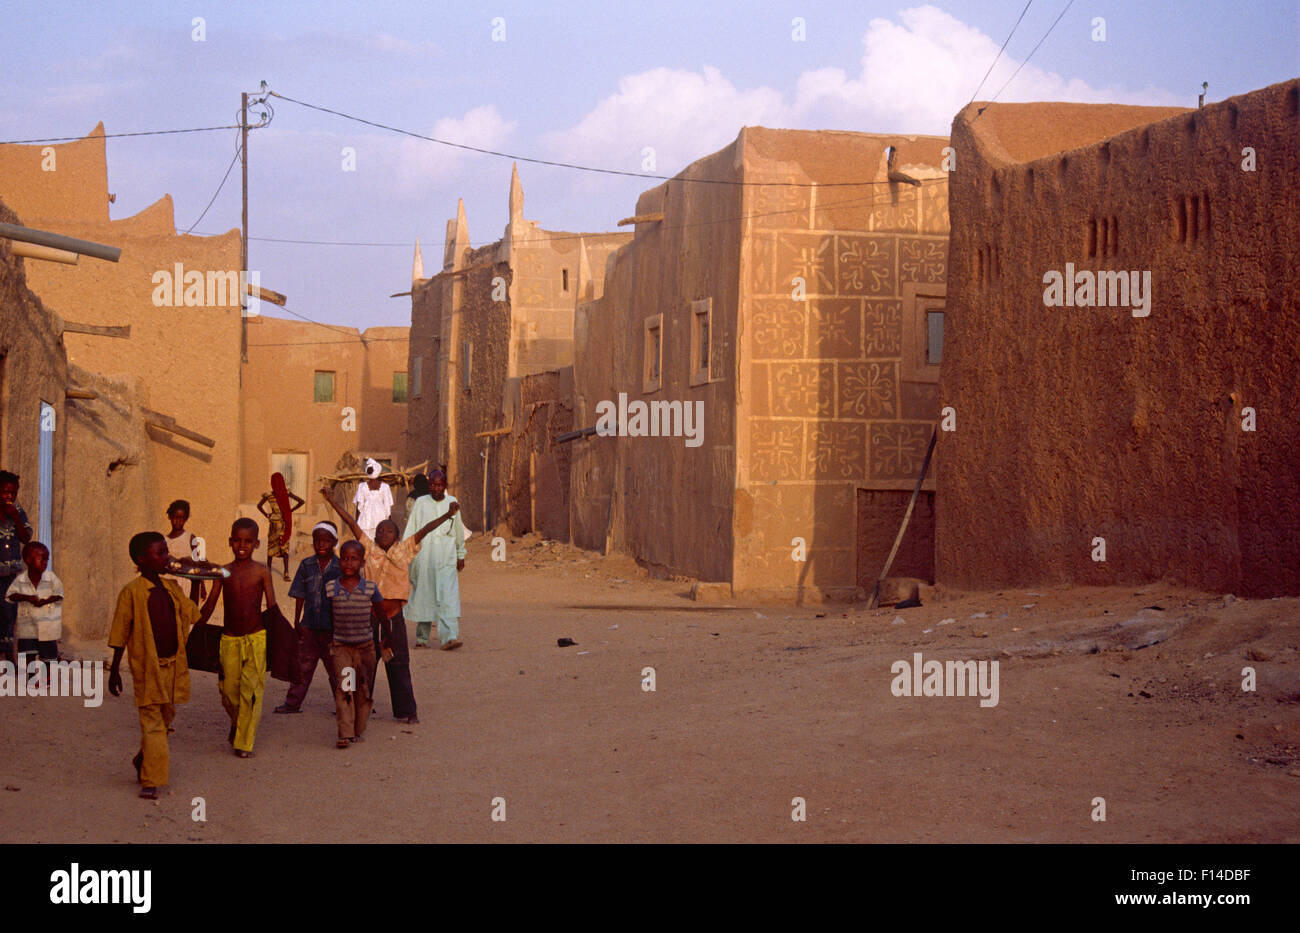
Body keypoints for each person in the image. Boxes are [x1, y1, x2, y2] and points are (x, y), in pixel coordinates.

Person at [319, 485, 459, 724]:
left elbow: (425, 529)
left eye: (389, 531)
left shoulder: (405, 550)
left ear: (397, 535)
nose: (384, 533)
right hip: (370, 616)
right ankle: (358, 706)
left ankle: (406, 710)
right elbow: (352, 522)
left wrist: (447, 515)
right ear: (375, 536)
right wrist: (331, 501)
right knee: (365, 664)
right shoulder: (369, 550)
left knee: (399, 663)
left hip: (394, 616)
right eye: (381, 530)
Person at [108, 532, 200, 799]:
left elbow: (194, 614)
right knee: (153, 723)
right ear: (141, 559)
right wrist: (114, 670)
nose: (166, 557)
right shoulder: (131, 592)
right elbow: (119, 632)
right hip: (148, 669)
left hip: (173, 667)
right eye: (159, 553)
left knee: (165, 719)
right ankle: (151, 781)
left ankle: (144, 758)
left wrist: (195, 577)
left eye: (166, 551)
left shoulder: (171, 588)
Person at [199, 518, 277, 758]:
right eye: (237, 540)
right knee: (228, 691)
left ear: (256, 543)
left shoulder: (262, 571)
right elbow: (211, 603)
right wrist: (196, 628)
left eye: (248, 541)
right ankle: (237, 721)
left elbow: (272, 605)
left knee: (251, 692)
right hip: (230, 640)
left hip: (255, 638)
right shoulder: (223, 572)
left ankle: (244, 742)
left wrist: (283, 637)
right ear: (230, 541)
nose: (242, 545)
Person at [274, 521, 340, 714]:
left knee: (337, 668)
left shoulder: (340, 566)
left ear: (334, 542)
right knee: (302, 666)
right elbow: (300, 593)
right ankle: (292, 703)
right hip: (310, 625)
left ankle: (346, 703)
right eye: (317, 540)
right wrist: (297, 621)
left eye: (326, 541)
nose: (321, 544)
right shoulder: (306, 564)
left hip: (332, 628)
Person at [326, 540, 385, 748]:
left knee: (363, 689)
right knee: (345, 687)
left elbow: (381, 613)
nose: (348, 563)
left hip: (364, 648)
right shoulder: (332, 587)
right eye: (344, 558)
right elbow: (328, 617)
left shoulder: (369, 588)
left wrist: (386, 636)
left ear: (362, 562)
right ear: (339, 560)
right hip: (342, 647)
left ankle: (358, 728)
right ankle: (345, 732)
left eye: (354, 559)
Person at [404, 470, 466, 650]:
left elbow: (458, 532)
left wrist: (460, 554)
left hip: (446, 558)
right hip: (424, 558)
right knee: (425, 595)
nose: (435, 488)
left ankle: (449, 638)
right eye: (432, 484)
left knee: (448, 597)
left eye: (439, 485)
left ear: (445, 486)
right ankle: (422, 638)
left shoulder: (452, 503)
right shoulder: (421, 503)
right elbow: (412, 529)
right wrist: (406, 553)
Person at [5, 541, 63, 667]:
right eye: (42, 559)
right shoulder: (21, 580)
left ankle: (47, 678)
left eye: (47, 560)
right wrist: (27, 598)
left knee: (48, 656)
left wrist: (45, 601)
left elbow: (59, 594)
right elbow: (10, 595)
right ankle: (31, 680)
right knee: (28, 654)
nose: (45, 563)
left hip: (47, 626)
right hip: (27, 627)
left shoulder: (51, 578)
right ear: (29, 560)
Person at [0, 471, 33, 656]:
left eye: (13, 492)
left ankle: (8, 654)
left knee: (9, 612)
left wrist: (16, 519)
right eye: (5, 492)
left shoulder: (18, 511)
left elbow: (26, 538)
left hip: (10, 573)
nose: (9, 496)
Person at [257, 489, 303, 582]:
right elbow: (301, 502)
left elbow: (259, 506)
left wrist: (267, 515)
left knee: (273, 548)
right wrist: (290, 511)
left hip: (275, 525)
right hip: (282, 524)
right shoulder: (285, 494)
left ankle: (269, 571)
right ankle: (285, 573)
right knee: (283, 548)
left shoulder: (270, 495)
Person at [164, 499, 205, 603]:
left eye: (182, 518)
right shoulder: (164, 540)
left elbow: (198, 563)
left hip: (186, 583)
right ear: (170, 516)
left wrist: (202, 586)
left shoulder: (190, 538)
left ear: (186, 519)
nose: (178, 521)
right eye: (175, 517)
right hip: (169, 582)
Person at [353, 459, 394, 540]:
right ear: (378, 472)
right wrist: (390, 524)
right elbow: (387, 509)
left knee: (365, 541)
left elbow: (359, 507)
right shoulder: (385, 487)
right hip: (379, 518)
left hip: (365, 520)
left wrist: (356, 523)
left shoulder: (362, 486)